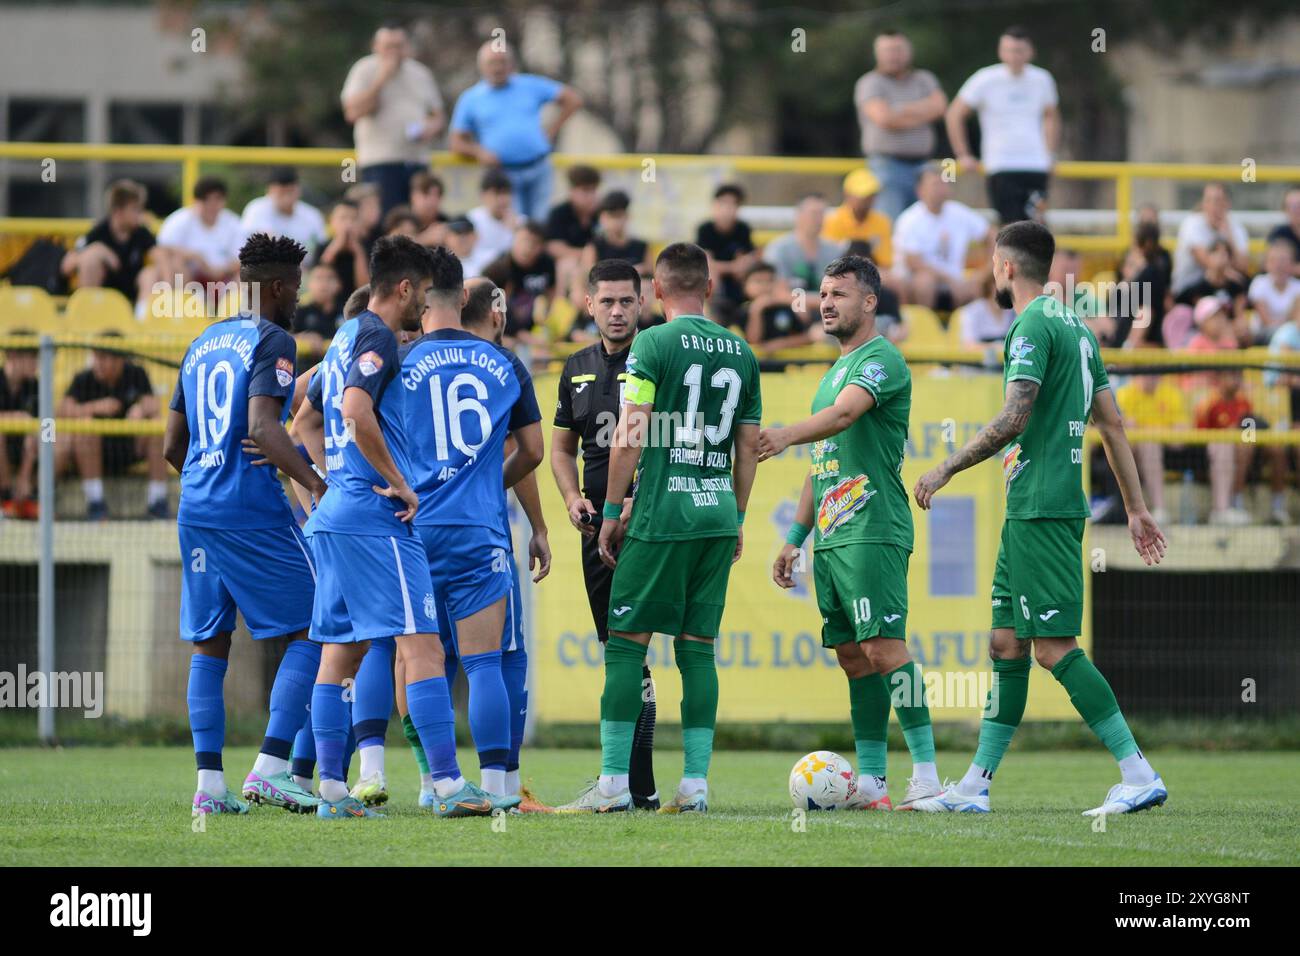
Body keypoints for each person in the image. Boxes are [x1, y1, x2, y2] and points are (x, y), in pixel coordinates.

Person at [911, 220, 1169, 816]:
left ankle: (1137, 771)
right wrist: (1134, 507)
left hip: (1042, 506)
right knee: (1007, 642)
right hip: (1031, 505)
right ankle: (975, 786)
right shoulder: (1076, 326)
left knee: (1053, 647)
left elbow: (1015, 416)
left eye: (992, 264)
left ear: (1005, 267)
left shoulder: (1030, 325)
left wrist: (946, 467)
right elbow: (1113, 423)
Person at [559, 243, 762, 814]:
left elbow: (631, 430)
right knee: (698, 651)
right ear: (710, 287)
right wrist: (739, 515)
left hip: (663, 513)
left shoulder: (652, 343)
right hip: (717, 513)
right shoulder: (741, 351)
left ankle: (612, 787)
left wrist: (615, 510)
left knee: (625, 647)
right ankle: (694, 786)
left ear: (656, 290)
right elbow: (749, 446)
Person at [761, 255, 940, 811]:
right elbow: (824, 458)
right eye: (822, 292)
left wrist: (785, 433)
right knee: (852, 656)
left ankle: (929, 776)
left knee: (884, 648)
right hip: (833, 537)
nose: (826, 302)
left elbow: (842, 419)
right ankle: (871, 782)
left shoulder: (881, 359)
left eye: (839, 293)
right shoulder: (831, 374)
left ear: (869, 302)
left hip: (873, 526)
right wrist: (795, 535)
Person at [297, 235, 466, 820]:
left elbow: (305, 415)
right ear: (403, 287)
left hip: (336, 515)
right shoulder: (373, 335)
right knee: (422, 646)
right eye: (421, 292)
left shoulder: (343, 336)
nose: (425, 303)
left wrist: (325, 479)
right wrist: (399, 480)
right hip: (375, 517)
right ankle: (447, 785)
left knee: (339, 652)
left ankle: (332, 793)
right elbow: (353, 409)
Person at [161, 233, 327, 816]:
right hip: (247, 508)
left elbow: (172, 446)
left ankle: (210, 787)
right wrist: (316, 485)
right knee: (317, 622)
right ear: (279, 287)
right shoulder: (275, 337)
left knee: (210, 643)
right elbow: (262, 424)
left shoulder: (201, 342)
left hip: (196, 507)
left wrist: (210, 474)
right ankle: (271, 768)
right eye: (297, 288)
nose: (299, 298)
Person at [399, 246, 545, 810]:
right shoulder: (504, 362)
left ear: (415, 294)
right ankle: (496, 789)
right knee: (485, 663)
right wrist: (487, 483)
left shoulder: (399, 360)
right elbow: (531, 449)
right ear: (465, 297)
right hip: (479, 529)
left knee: (420, 659)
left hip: (412, 526)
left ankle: (432, 783)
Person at [551, 260, 661, 809]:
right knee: (618, 652)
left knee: (634, 649)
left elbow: (667, 441)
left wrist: (635, 500)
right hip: (596, 530)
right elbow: (560, 448)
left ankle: (632, 784)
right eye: (607, 302)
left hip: (646, 526)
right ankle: (634, 786)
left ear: (641, 304)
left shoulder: (658, 357)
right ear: (589, 304)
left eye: (627, 301)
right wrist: (573, 498)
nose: (617, 311)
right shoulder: (575, 368)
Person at [449, 40, 583, 222]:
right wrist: (478, 152)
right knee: (515, 228)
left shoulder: (529, 85)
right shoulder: (471, 98)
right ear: (481, 66)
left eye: (502, 62)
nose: (497, 68)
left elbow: (573, 99)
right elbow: (456, 141)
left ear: (511, 64)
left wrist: (552, 130)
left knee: (540, 225)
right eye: (491, 63)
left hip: (539, 167)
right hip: (504, 174)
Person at [946, 26, 1059, 225]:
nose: (1014, 56)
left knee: (1037, 226)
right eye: (1009, 50)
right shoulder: (986, 78)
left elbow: (1051, 116)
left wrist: (1049, 153)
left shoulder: (1042, 79)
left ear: (1030, 51)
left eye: (1019, 50)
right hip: (1001, 164)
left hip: (1035, 164)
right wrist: (963, 154)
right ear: (1000, 51)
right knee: (1010, 228)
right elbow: (955, 114)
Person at [58, 332, 168, 519]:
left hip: (129, 447)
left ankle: (157, 501)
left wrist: (140, 408)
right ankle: (96, 502)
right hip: (93, 454)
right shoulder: (84, 378)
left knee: (156, 426)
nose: (98, 363)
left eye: (103, 357)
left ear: (119, 360)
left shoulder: (136, 373)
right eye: (96, 357)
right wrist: (94, 407)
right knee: (85, 426)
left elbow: (153, 404)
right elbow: (62, 410)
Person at [341, 23, 445, 215]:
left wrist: (430, 128)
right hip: (381, 163)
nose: (394, 52)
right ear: (375, 46)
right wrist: (382, 79)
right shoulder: (364, 69)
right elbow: (352, 112)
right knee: (386, 221)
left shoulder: (420, 73)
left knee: (418, 220)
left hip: (417, 161)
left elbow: (438, 116)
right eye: (389, 46)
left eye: (399, 45)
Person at [854, 30, 947, 221]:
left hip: (924, 166)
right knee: (890, 225)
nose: (893, 56)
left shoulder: (924, 78)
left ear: (909, 52)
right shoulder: (870, 82)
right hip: (887, 166)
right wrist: (923, 111)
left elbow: (940, 107)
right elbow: (884, 119)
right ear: (877, 53)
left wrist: (898, 110)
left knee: (923, 226)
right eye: (887, 50)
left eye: (898, 49)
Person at [892, 162, 994, 309]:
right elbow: (913, 262)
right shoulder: (909, 219)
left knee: (980, 284)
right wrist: (949, 279)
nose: (941, 188)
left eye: (944, 183)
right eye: (935, 184)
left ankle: (968, 329)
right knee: (924, 282)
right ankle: (926, 328)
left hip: (956, 283)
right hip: (918, 284)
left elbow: (991, 235)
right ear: (920, 190)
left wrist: (984, 272)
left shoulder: (958, 212)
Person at [61, 179, 159, 312]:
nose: (140, 214)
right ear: (118, 211)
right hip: (103, 293)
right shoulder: (99, 233)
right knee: (91, 259)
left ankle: (142, 319)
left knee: (149, 274)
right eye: (135, 209)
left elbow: (158, 253)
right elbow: (67, 265)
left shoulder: (141, 233)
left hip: (132, 292)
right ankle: (86, 313)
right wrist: (98, 250)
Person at [155, 176, 245, 287]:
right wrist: (195, 257)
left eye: (217, 199)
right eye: (206, 200)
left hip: (226, 280)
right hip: (191, 279)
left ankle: (237, 303)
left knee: (248, 274)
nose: (211, 205)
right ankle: (181, 301)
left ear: (224, 201)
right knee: (175, 265)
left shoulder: (233, 222)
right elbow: (162, 249)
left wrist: (220, 270)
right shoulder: (180, 220)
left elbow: (242, 258)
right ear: (196, 201)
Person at [482, 221, 556, 350]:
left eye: (534, 243)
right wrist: (519, 334)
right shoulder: (498, 269)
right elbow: (487, 307)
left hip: (536, 324)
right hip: (504, 328)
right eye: (524, 241)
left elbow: (552, 293)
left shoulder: (547, 263)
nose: (528, 247)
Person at [1172, 183, 1251, 296]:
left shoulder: (1235, 227)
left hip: (1222, 289)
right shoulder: (1192, 224)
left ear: (1227, 204)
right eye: (1208, 200)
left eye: (1217, 200)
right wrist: (1228, 271)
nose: (1213, 206)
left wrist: (1229, 236)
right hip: (1191, 291)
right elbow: (1207, 262)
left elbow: (1243, 266)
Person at [763, 195, 846, 297]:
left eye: (822, 214)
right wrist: (803, 305)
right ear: (798, 215)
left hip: (826, 308)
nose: (818, 219)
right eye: (813, 213)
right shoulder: (779, 248)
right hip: (790, 308)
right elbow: (778, 291)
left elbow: (841, 291)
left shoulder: (834, 250)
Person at [695, 183, 757, 320]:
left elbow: (748, 260)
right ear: (715, 205)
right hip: (717, 289)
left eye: (733, 204)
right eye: (724, 203)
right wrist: (733, 267)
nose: (728, 209)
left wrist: (737, 266)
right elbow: (706, 263)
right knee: (711, 274)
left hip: (737, 285)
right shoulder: (705, 230)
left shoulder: (743, 229)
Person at [239, 167, 328, 257]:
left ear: (298, 190)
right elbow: (263, 244)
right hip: (267, 267)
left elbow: (321, 246)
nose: (286, 198)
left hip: (307, 269)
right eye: (281, 192)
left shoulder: (312, 215)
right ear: (269, 191)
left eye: (290, 191)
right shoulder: (256, 209)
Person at [822, 169, 894, 273]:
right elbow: (828, 262)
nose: (867, 200)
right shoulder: (832, 221)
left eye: (871, 194)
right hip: (839, 274)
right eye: (863, 195)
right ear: (847, 194)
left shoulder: (882, 222)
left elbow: (886, 263)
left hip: (873, 275)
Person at [0, 338, 39, 519]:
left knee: (49, 437)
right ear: (13, 356)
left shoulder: (37, 386)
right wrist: (16, 417)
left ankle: (29, 496)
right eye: (32, 358)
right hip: (4, 448)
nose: (36, 364)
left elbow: (49, 425)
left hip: (26, 452)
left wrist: (24, 475)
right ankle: (6, 496)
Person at [742, 262, 812, 353]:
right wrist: (756, 310)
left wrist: (780, 344)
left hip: (788, 361)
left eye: (770, 281)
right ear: (745, 285)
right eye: (758, 281)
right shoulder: (743, 311)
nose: (764, 286)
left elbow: (806, 336)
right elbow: (753, 342)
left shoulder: (784, 308)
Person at [317, 199, 370, 308]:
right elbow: (318, 280)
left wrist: (358, 253)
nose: (348, 224)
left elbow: (364, 288)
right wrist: (336, 247)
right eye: (343, 218)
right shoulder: (323, 247)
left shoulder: (368, 248)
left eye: (353, 219)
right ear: (332, 222)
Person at [1248, 240, 1300, 340]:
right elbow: (1267, 322)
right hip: (1263, 335)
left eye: (1283, 260)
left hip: (1291, 334)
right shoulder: (1259, 283)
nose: (1279, 265)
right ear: (1266, 264)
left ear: (1292, 263)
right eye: (1274, 260)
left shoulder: (1298, 286)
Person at [467, 168, 519, 266]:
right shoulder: (472, 220)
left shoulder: (520, 223)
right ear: (483, 195)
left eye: (506, 193)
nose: (502, 199)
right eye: (497, 194)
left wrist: (515, 233)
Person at [293, 263, 343, 357]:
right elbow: (283, 337)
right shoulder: (298, 310)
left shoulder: (347, 313)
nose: (324, 284)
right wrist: (303, 337)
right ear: (309, 284)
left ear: (338, 285)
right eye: (318, 278)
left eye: (329, 278)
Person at [408, 170, 449, 246]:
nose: (432, 201)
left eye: (437, 195)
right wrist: (423, 240)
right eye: (426, 194)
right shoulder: (401, 221)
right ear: (413, 196)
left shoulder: (446, 222)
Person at [1267, 187, 1300, 275]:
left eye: (1299, 205)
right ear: (1285, 210)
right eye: (1292, 206)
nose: (1297, 210)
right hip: (1286, 283)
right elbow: (1271, 264)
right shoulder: (1279, 233)